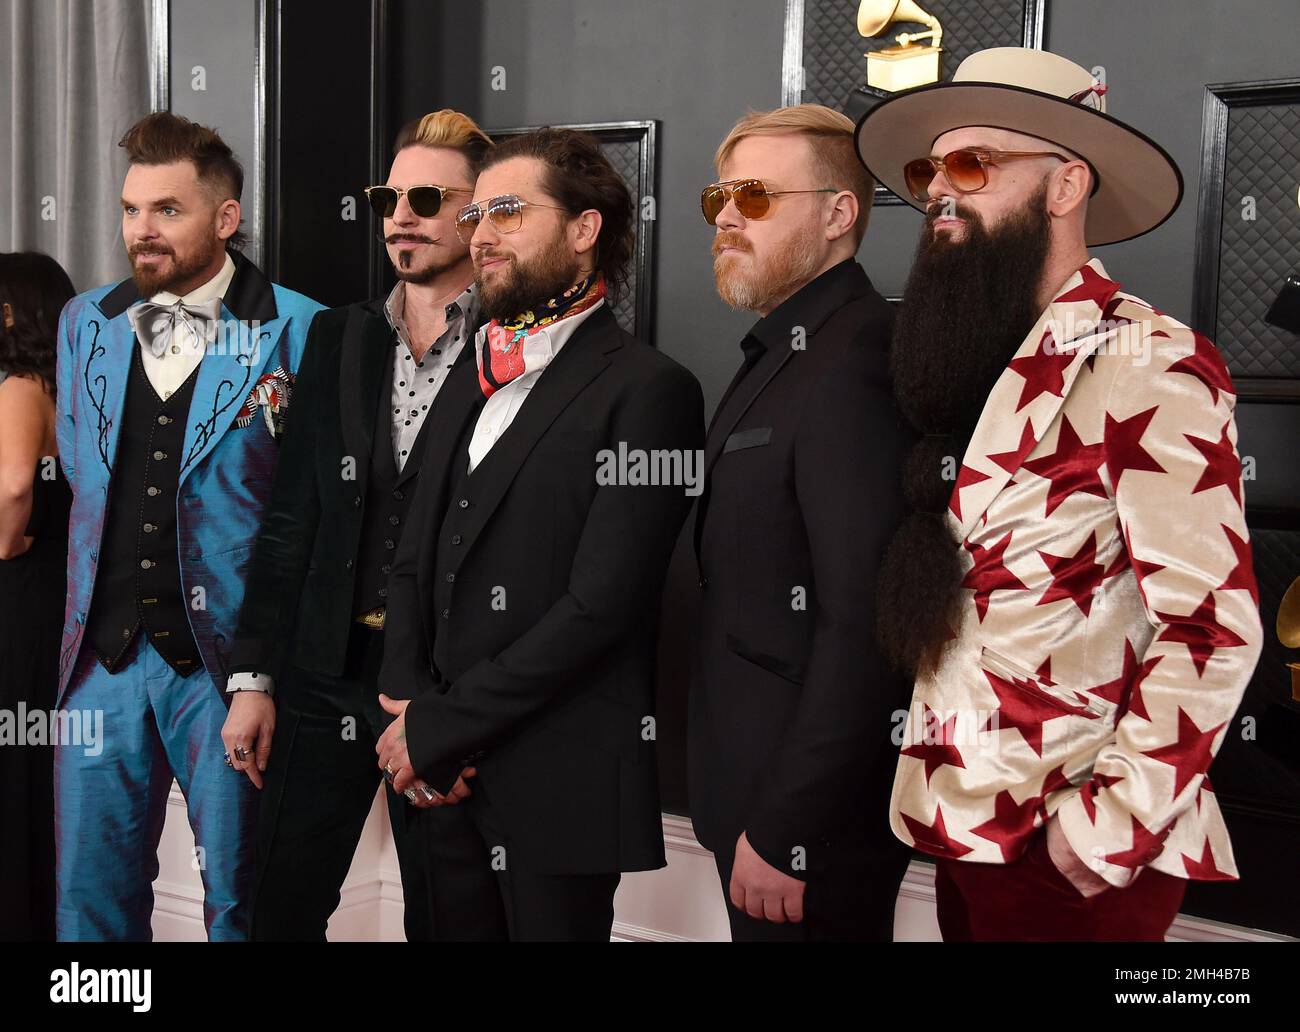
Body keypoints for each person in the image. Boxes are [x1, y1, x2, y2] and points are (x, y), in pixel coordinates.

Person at [856, 47, 1263, 941]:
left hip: (1073, 853)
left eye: (974, 164)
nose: (937, 190)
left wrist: (1106, 828)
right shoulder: (964, 364)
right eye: (930, 169)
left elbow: (1214, 626)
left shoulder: (1147, 362)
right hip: (959, 824)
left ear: (1066, 184)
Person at [375, 128, 705, 941]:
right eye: (478, 213)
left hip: (557, 786)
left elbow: (601, 606)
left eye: (508, 212)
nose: (479, 233)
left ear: (584, 230)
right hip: (430, 785)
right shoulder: (474, 368)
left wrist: (443, 729)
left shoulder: (651, 392)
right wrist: (410, 705)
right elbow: (415, 553)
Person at [53, 112, 323, 940]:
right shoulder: (85, 323)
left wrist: (263, 675)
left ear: (226, 217)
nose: (142, 230)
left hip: (227, 674)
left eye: (167, 209)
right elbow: (80, 477)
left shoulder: (301, 326)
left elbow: (307, 516)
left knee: (241, 904)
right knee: (87, 901)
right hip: (99, 663)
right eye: (132, 209)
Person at [224, 109, 493, 941]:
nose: (400, 215)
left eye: (424, 196)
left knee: (447, 916)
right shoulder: (340, 335)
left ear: (480, 211)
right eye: (387, 197)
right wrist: (253, 679)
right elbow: (290, 514)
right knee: (281, 908)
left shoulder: (512, 343)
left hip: (443, 679)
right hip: (320, 666)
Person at [689, 105, 913, 941]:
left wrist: (792, 827)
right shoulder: (787, 350)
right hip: (746, 788)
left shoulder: (860, 355)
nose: (730, 219)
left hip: (805, 819)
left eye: (755, 196)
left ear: (838, 214)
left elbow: (868, 621)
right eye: (720, 200)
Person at [0, 252, 75, 941]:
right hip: (55, 597)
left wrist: (6, 543)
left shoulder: (19, 385)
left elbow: (14, 486)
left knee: (17, 775)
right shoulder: (69, 385)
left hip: (20, 596)